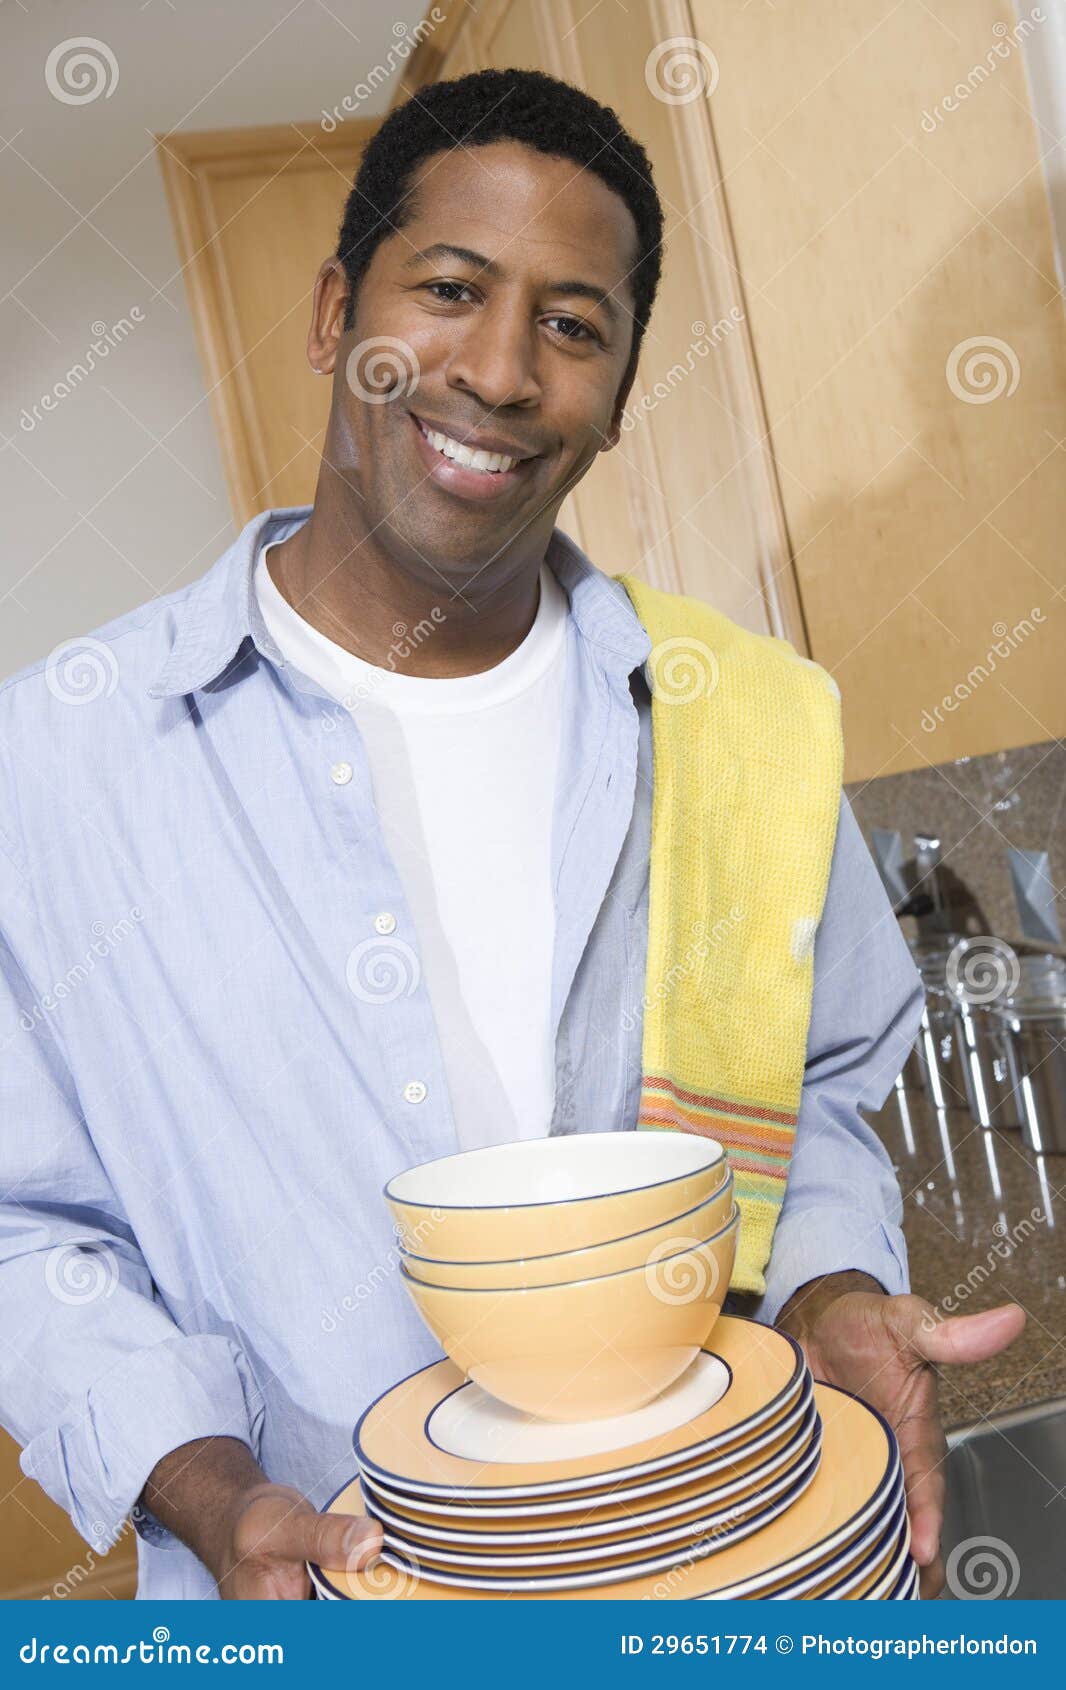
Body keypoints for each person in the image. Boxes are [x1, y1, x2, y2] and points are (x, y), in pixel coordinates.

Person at [0, 68, 1022, 1601]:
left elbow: (812, 1096)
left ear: (616, 397)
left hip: (704, 1568)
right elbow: (21, 1227)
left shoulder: (739, 722)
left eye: (571, 324)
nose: (496, 369)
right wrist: (212, 1493)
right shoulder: (56, 762)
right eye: (449, 290)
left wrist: (830, 1286)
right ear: (336, 315)